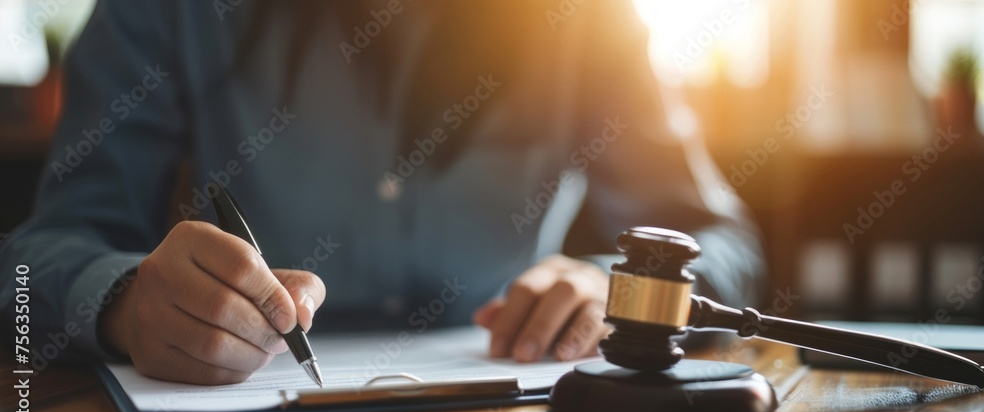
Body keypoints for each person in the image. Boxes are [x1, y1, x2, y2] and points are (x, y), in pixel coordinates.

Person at [0, 0, 764, 385]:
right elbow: (30, 268)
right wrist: (126, 301)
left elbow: (722, 242)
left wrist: (618, 289)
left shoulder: (587, 22)